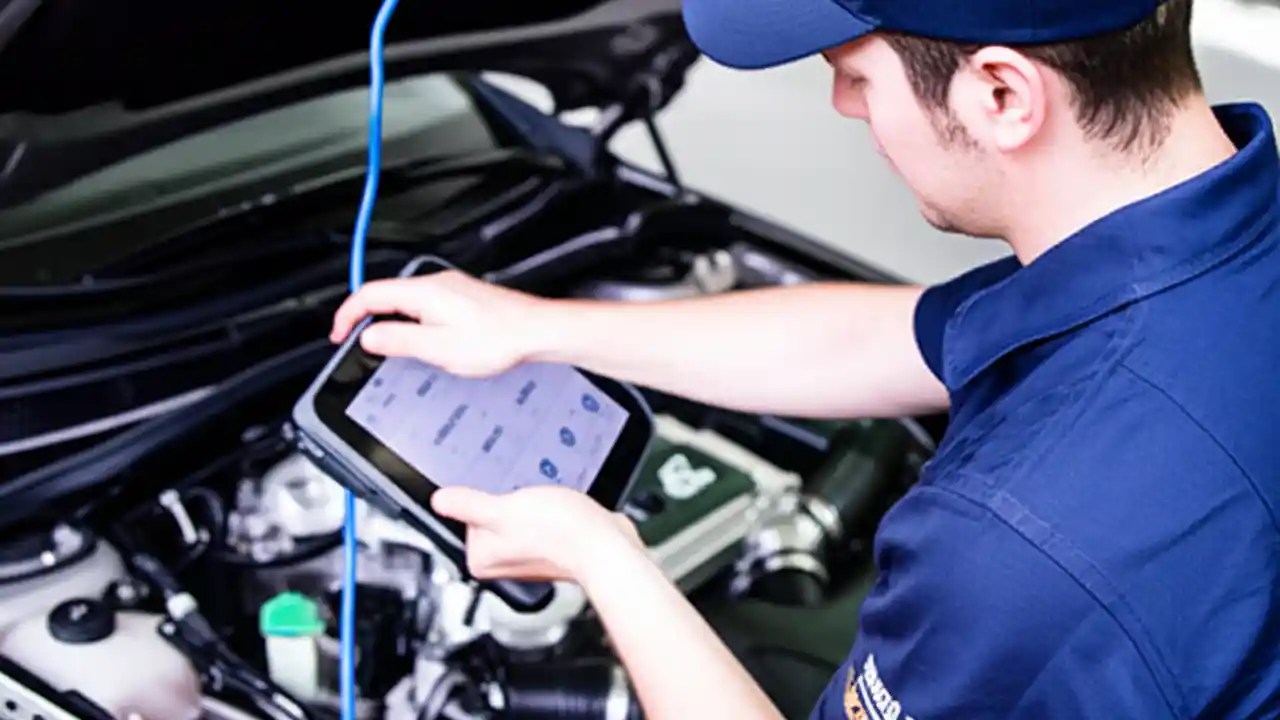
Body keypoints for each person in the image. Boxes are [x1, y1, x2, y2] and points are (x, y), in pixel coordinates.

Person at [331, 0, 1280, 716]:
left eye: (855, 72)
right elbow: (885, 339)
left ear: (1003, 94)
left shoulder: (1019, 549)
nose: (840, 100)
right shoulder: (1212, 242)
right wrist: (537, 325)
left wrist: (604, 559)